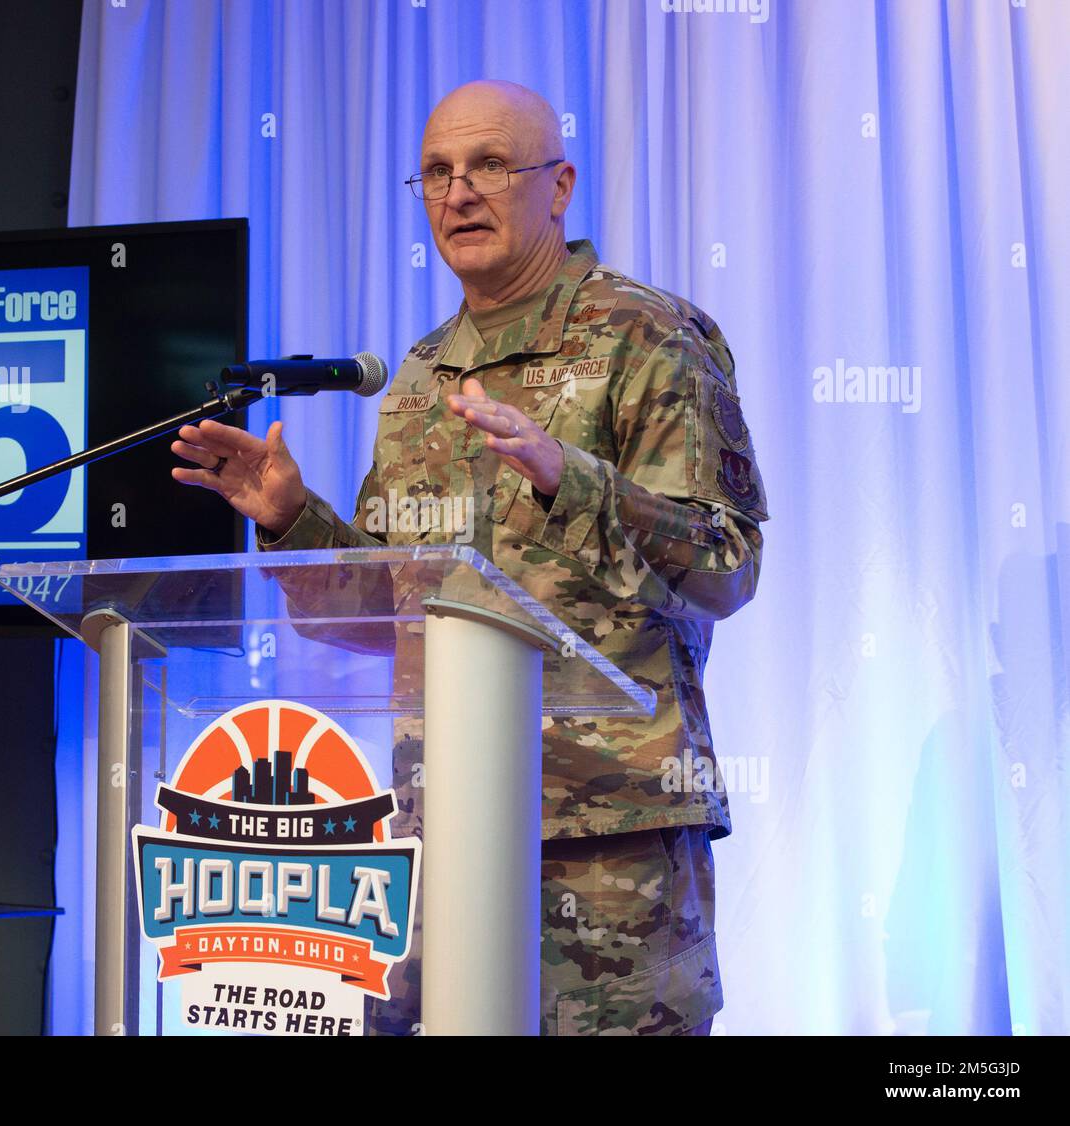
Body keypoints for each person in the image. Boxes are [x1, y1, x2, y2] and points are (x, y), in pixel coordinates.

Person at [171, 79, 768, 1036]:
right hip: (436, 827)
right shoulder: (420, 373)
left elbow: (727, 566)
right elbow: (382, 617)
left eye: (490, 165)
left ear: (560, 183)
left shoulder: (648, 337)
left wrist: (567, 478)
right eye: (438, 173)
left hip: (604, 841)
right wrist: (291, 521)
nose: (458, 193)